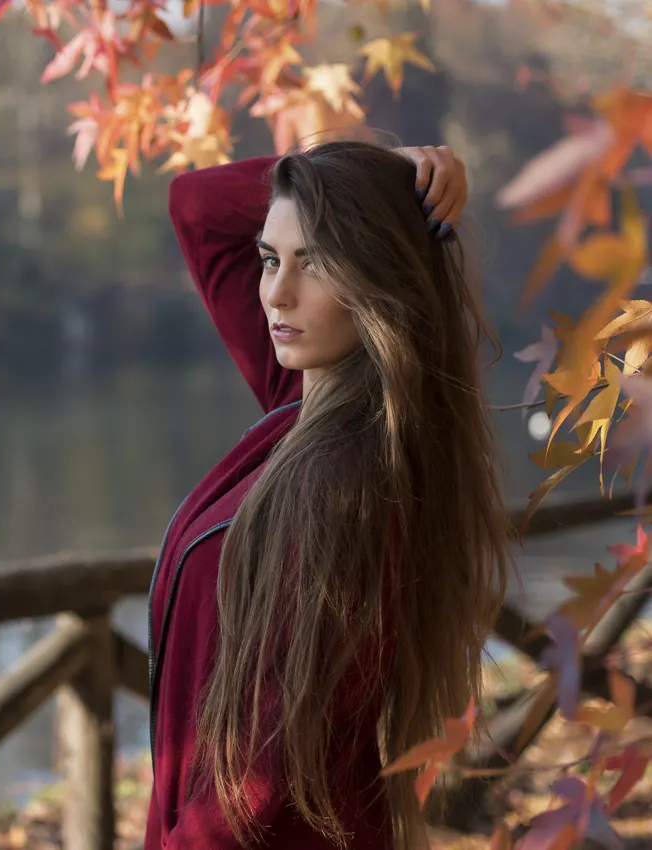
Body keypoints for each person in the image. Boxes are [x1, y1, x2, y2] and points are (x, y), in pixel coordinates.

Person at [145, 141, 513, 850]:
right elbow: (195, 203)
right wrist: (384, 169)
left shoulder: (350, 481)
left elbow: (262, 771)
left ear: (377, 279)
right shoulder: (300, 403)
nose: (277, 292)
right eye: (270, 258)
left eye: (314, 262)